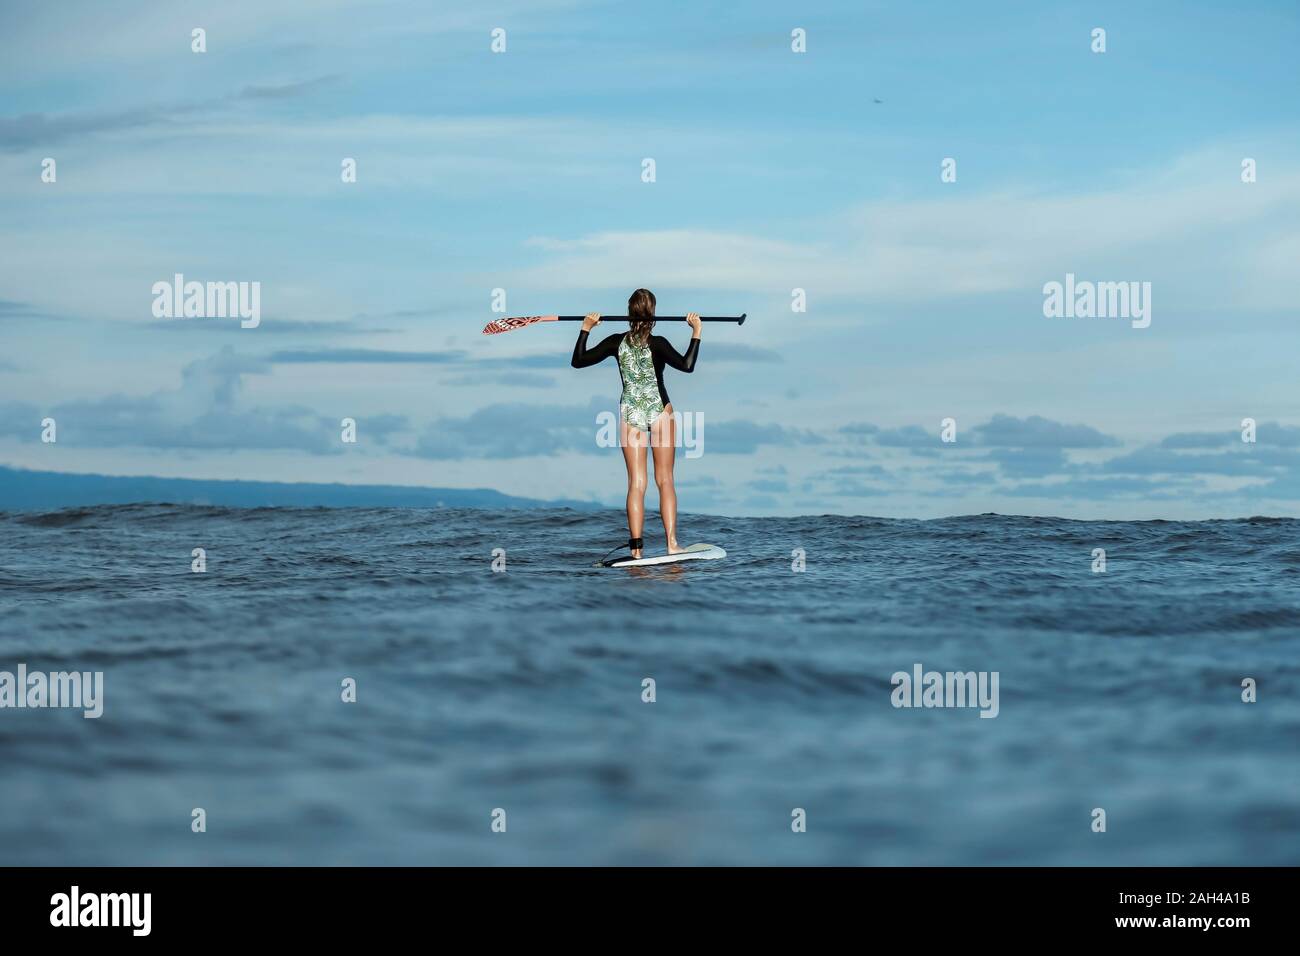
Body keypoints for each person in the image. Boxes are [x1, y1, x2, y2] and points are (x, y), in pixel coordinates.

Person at [571, 288, 700, 559]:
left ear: (629, 314)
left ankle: (637, 552)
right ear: (653, 314)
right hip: (660, 411)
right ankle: (672, 544)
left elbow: (578, 361)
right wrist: (696, 331)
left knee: (636, 484)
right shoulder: (659, 343)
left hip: (631, 413)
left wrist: (586, 328)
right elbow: (687, 365)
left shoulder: (614, 342)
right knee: (665, 480)